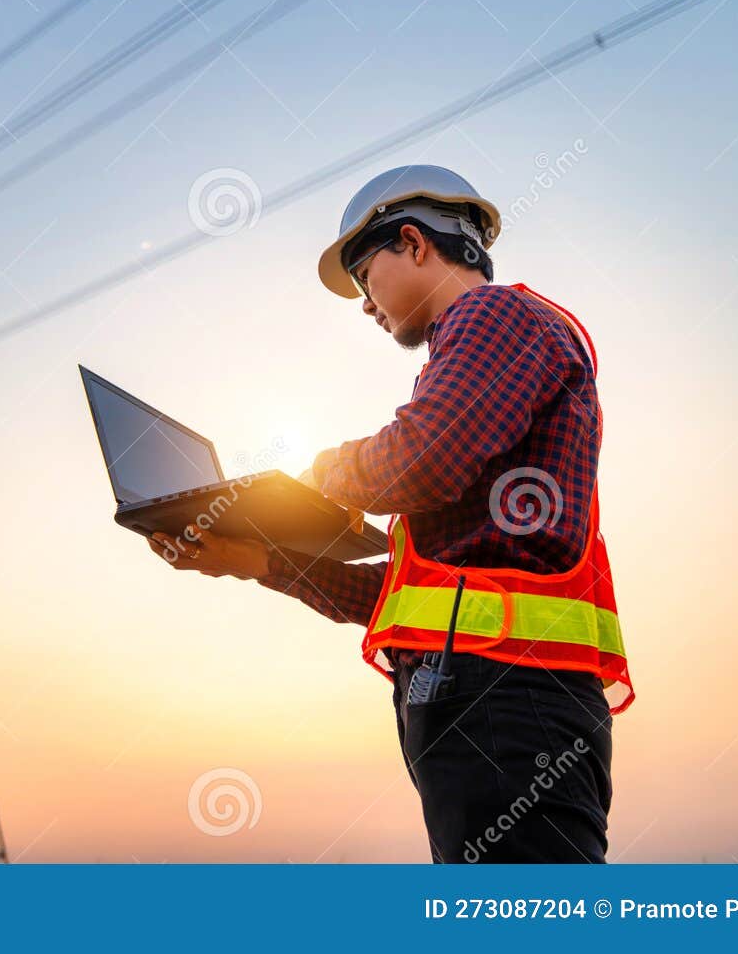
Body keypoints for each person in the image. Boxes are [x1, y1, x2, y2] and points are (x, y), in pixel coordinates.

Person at [148, 164, 632, 864]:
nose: (365, 304)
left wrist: (317, 475)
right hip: (493, 703)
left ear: (412, 242)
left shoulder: (493, 317)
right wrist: (251, 559)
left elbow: (419, 459)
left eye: (364, 275)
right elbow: (406, 603)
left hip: (509, 704)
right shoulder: (478, 354)